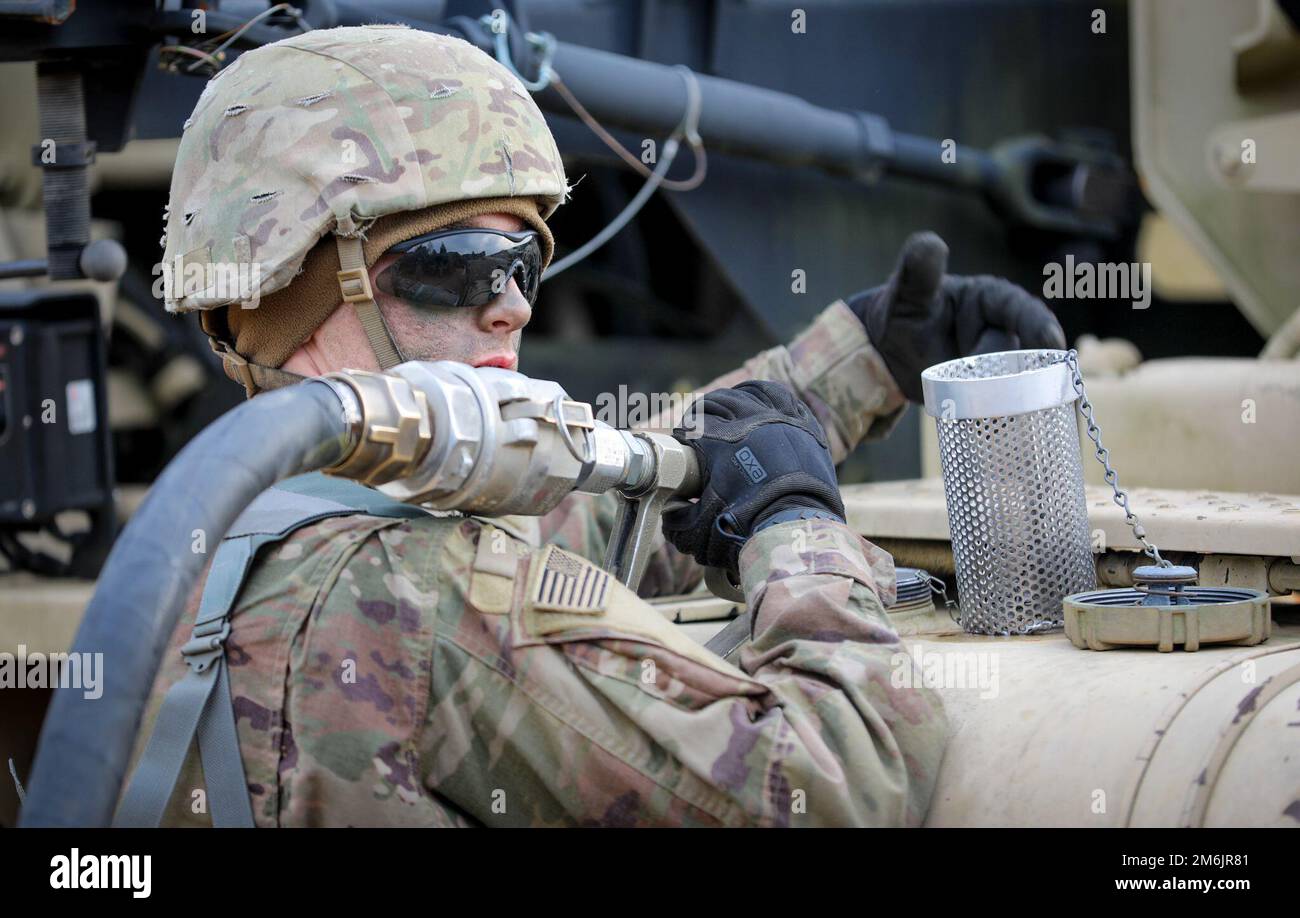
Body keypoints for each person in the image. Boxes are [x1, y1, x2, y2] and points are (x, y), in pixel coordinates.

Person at [124, 25, 1064, 827]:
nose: (511, 311)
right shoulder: (424, 598)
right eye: (455, 266)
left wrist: (853, 368)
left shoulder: (218, 539)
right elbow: (844, 785)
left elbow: (603, 513)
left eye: (523, 266)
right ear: (289, 289)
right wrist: (801, 532)